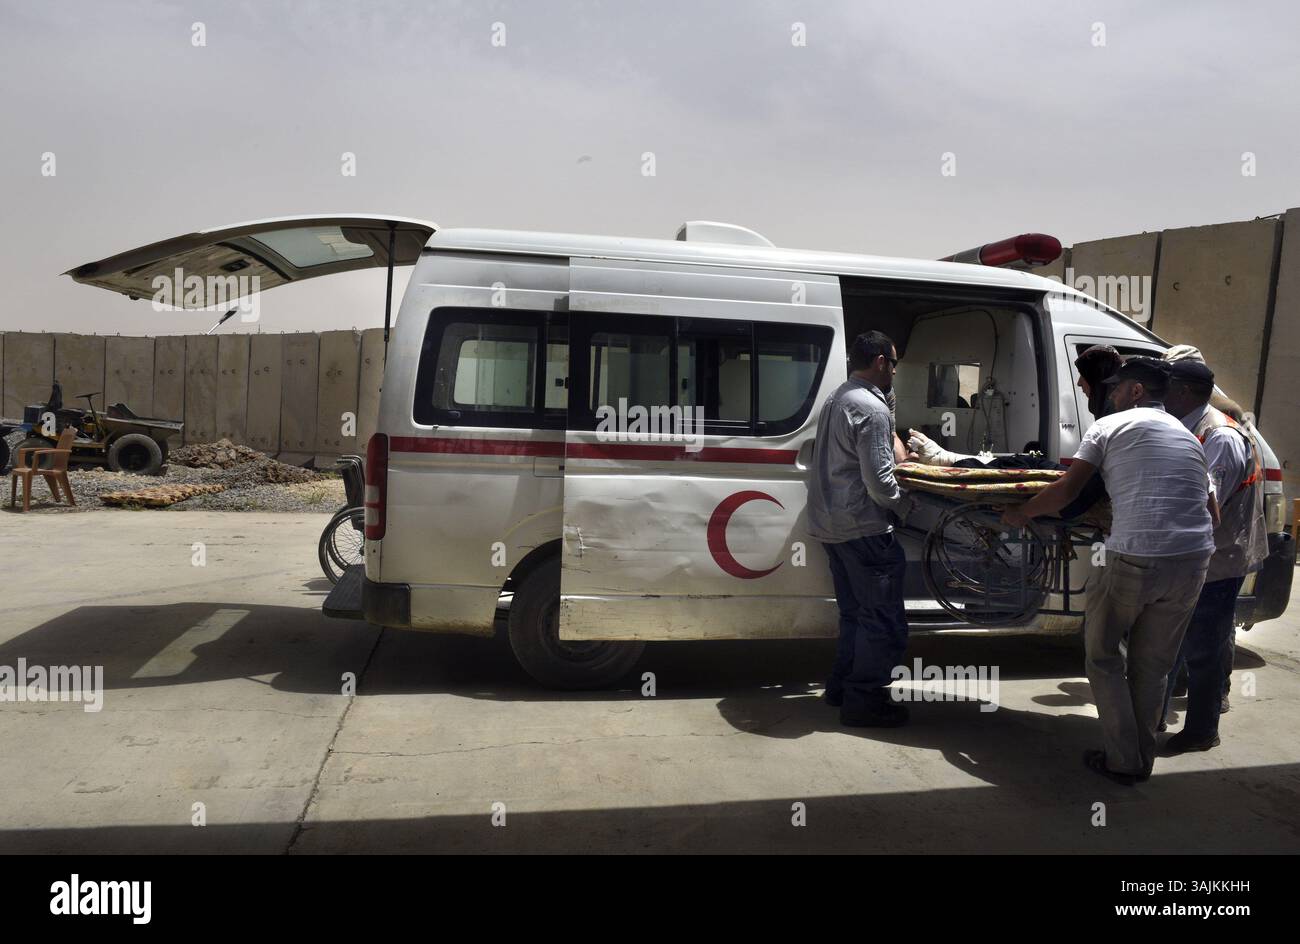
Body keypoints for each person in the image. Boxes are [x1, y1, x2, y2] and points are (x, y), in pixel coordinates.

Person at [1000, 357, 1217, 784]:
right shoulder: (1188, 436)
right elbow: (1212, 510)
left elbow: (1066, 492)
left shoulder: (1108, 427)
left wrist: (1021, 514)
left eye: (1117, 388)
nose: (1110, 394)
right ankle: (1139, 758)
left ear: (1135, 392)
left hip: (1136, 557)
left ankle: (1124, 758)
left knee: (1101, 657)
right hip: (1193, 560)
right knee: (1152, 668)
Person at [1158, 358, 1267, 753]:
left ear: (1183, 392)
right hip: (1196, 556)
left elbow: (1206, 507)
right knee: (1173, 643)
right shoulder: (1192, 426)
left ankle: (1202, 730)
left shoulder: (1218, 436)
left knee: (1203, 648)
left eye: (1165, 388)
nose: (1158, 396)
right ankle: (1155, 714)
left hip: (1217, 561)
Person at [806, 331, 914, 727]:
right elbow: (882, 482)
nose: (896, 371)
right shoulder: (870, 409)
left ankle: (841, 688)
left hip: (833, 527)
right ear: (882, 362)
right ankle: (864, 702)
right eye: (895, 363)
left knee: (854, 615)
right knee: (882, 621)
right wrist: (908, 506)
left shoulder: (839, 396)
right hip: (865, 529)